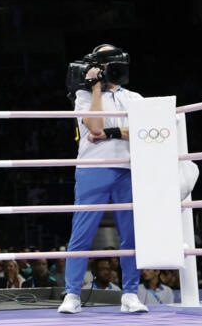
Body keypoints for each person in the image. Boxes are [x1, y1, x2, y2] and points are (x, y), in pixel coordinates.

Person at [58, 44, 148, 315]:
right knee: (82, 233)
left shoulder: (136, 98)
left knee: (131, 235)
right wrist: (95, 87)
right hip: (93, 168)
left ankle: (130, 293)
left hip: (129, 169)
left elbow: (146, 131)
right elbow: (94, 127)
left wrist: (112, 132)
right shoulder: (84, 97)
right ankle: (72, 293)